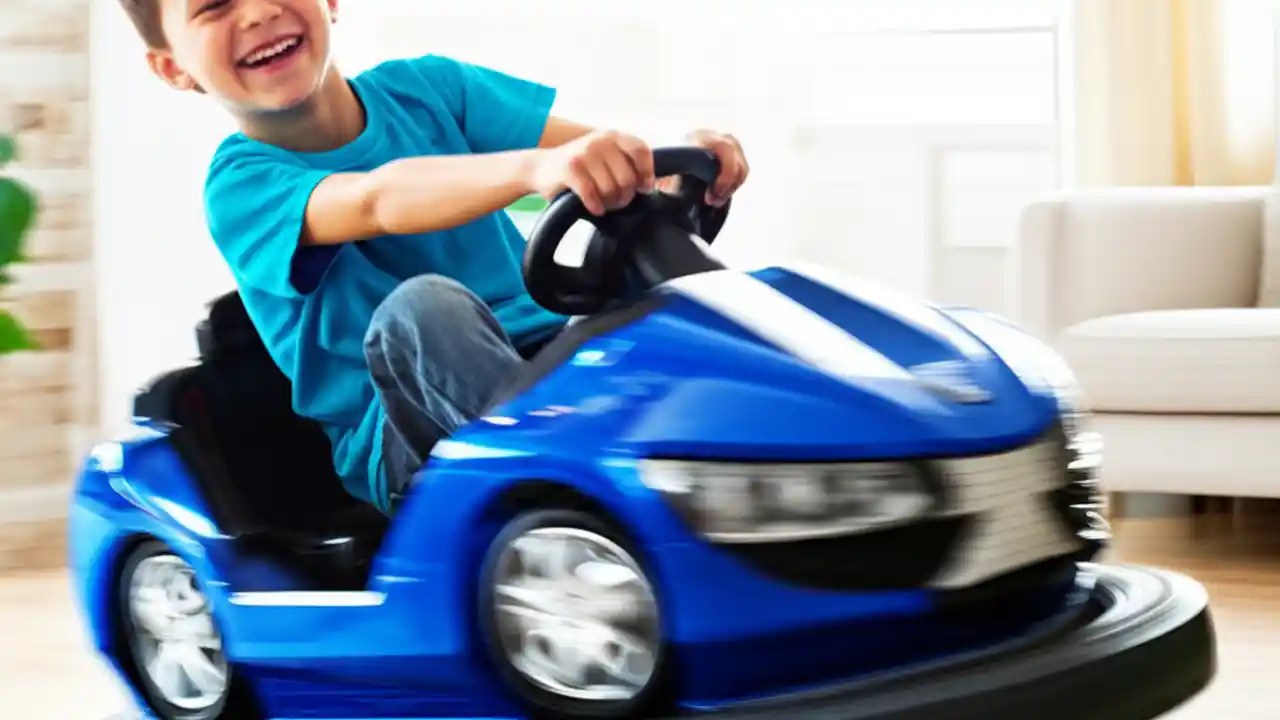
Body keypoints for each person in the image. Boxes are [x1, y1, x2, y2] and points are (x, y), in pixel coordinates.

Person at [118, 0, 751, 513]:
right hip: (406, 434)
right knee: (421, 306)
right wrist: (535, 168)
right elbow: (374, 200)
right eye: (215, 6)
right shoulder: (242, 184)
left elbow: (601, 157)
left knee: (650, 268)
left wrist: (679, 161)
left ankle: (750, 442)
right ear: (173, 68)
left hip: (555, 358)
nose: (256, 13)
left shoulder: (429, 89)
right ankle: (578, 490)